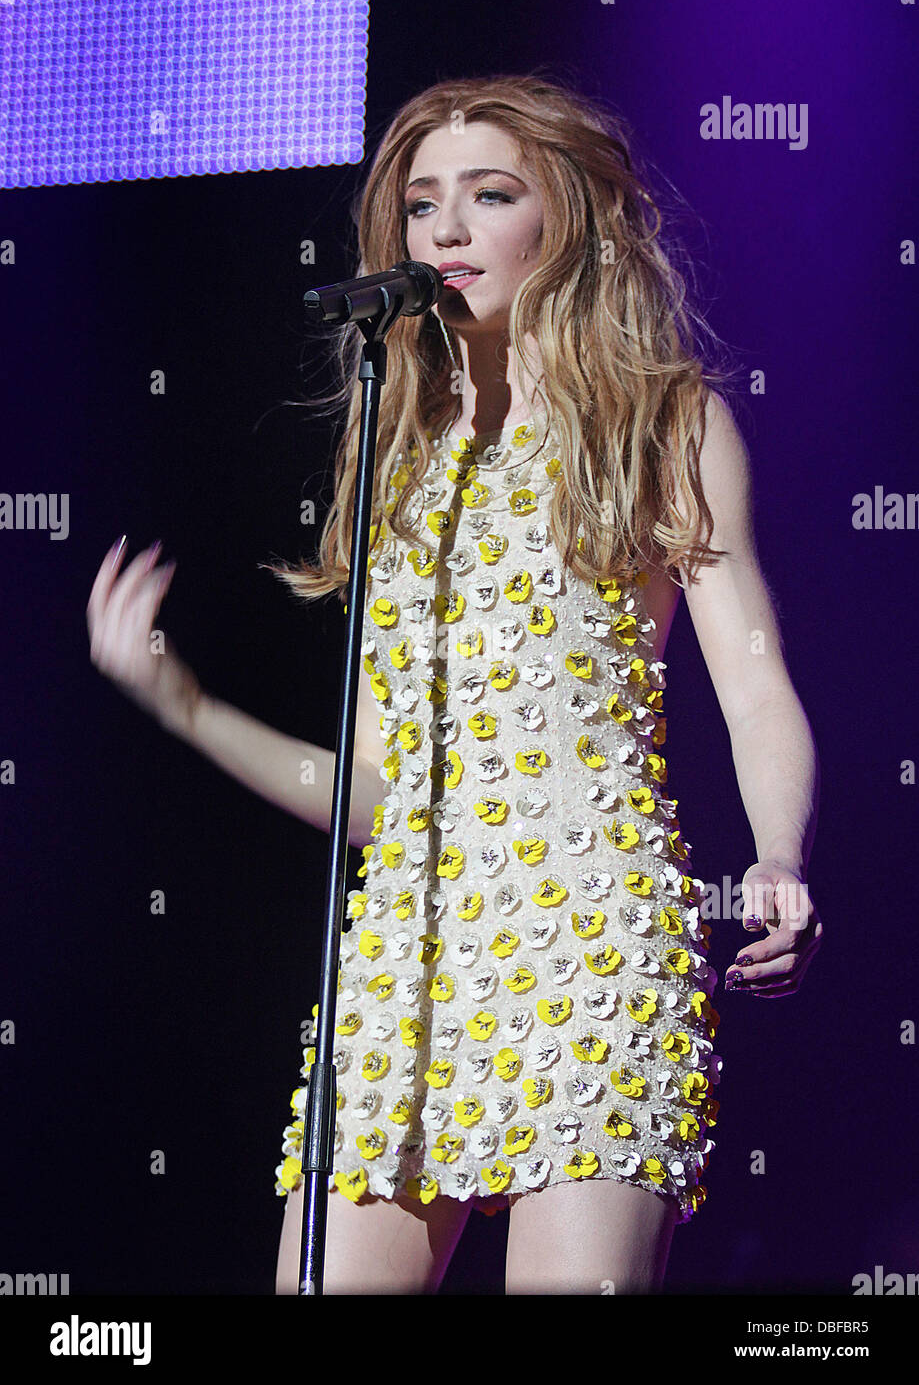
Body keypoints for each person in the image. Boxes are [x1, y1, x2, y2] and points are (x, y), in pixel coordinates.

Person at [86, 74, 822, 1295]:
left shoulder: (664, 423)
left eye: (490, 196)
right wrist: (189, 709)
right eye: (424, 203)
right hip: (403, 965)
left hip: (591, 943)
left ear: (568, 221)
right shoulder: (400, 457)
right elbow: (375, 796)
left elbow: (752, 682)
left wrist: (779, 856)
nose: (447, 229)